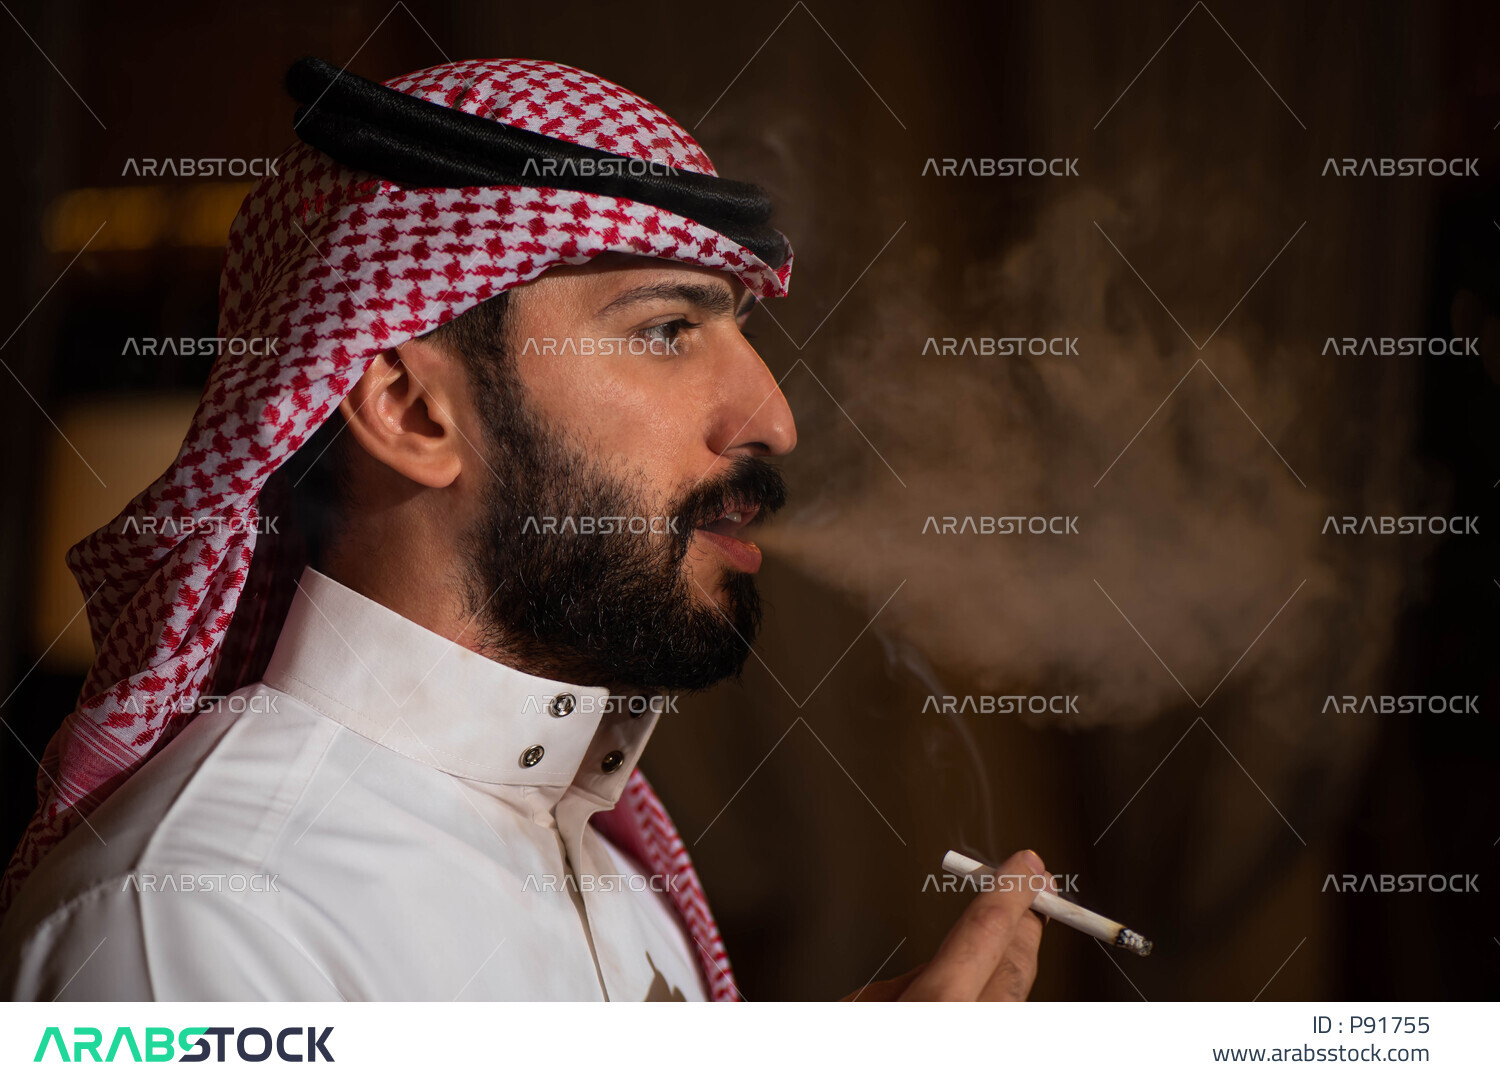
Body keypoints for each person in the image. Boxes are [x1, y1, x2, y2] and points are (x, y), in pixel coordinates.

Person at [0, 56, 1047, 1001]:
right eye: (667, 328)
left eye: (737, 326)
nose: (774, 419)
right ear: (412, 411)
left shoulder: (615, 876)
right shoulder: (197, 920)